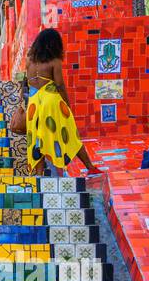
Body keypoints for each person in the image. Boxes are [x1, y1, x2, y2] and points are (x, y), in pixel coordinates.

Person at [24, 27, 100, 175]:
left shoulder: (29, 60)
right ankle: (89, 167)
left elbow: (25, 84)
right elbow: (59, 85)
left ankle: (39, 177)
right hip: (52, 103)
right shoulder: (54, 61)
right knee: (70, 133)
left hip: (33, 104)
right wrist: (67, 105)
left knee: (37, 141)